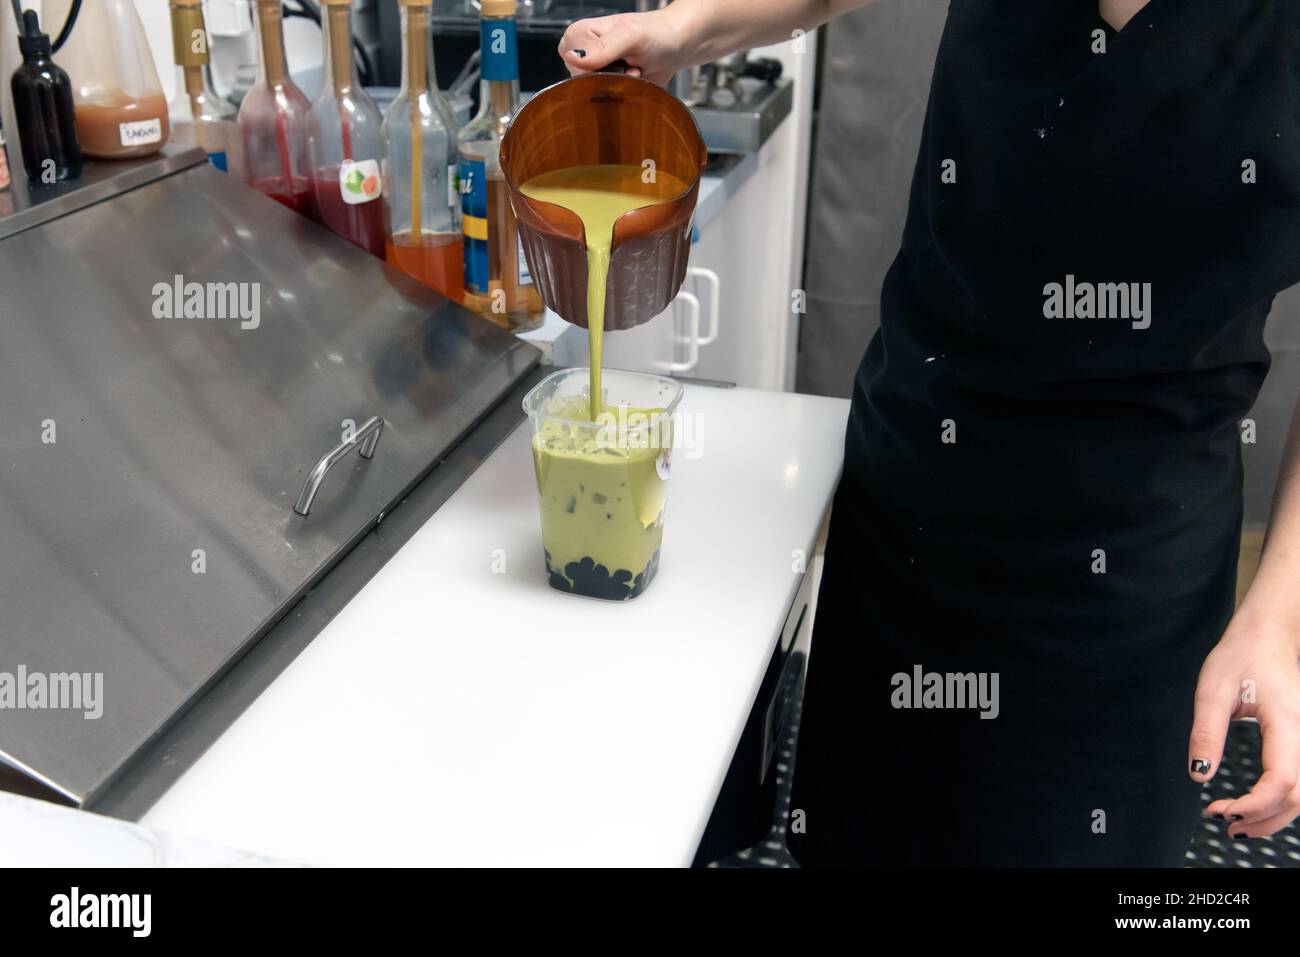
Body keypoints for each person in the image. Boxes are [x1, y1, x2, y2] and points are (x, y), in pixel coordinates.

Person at [561, 0, 1300, 866]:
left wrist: (1279, 618)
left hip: (1125, 578)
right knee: (859, 838)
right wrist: (694, 27)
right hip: (913, 508)